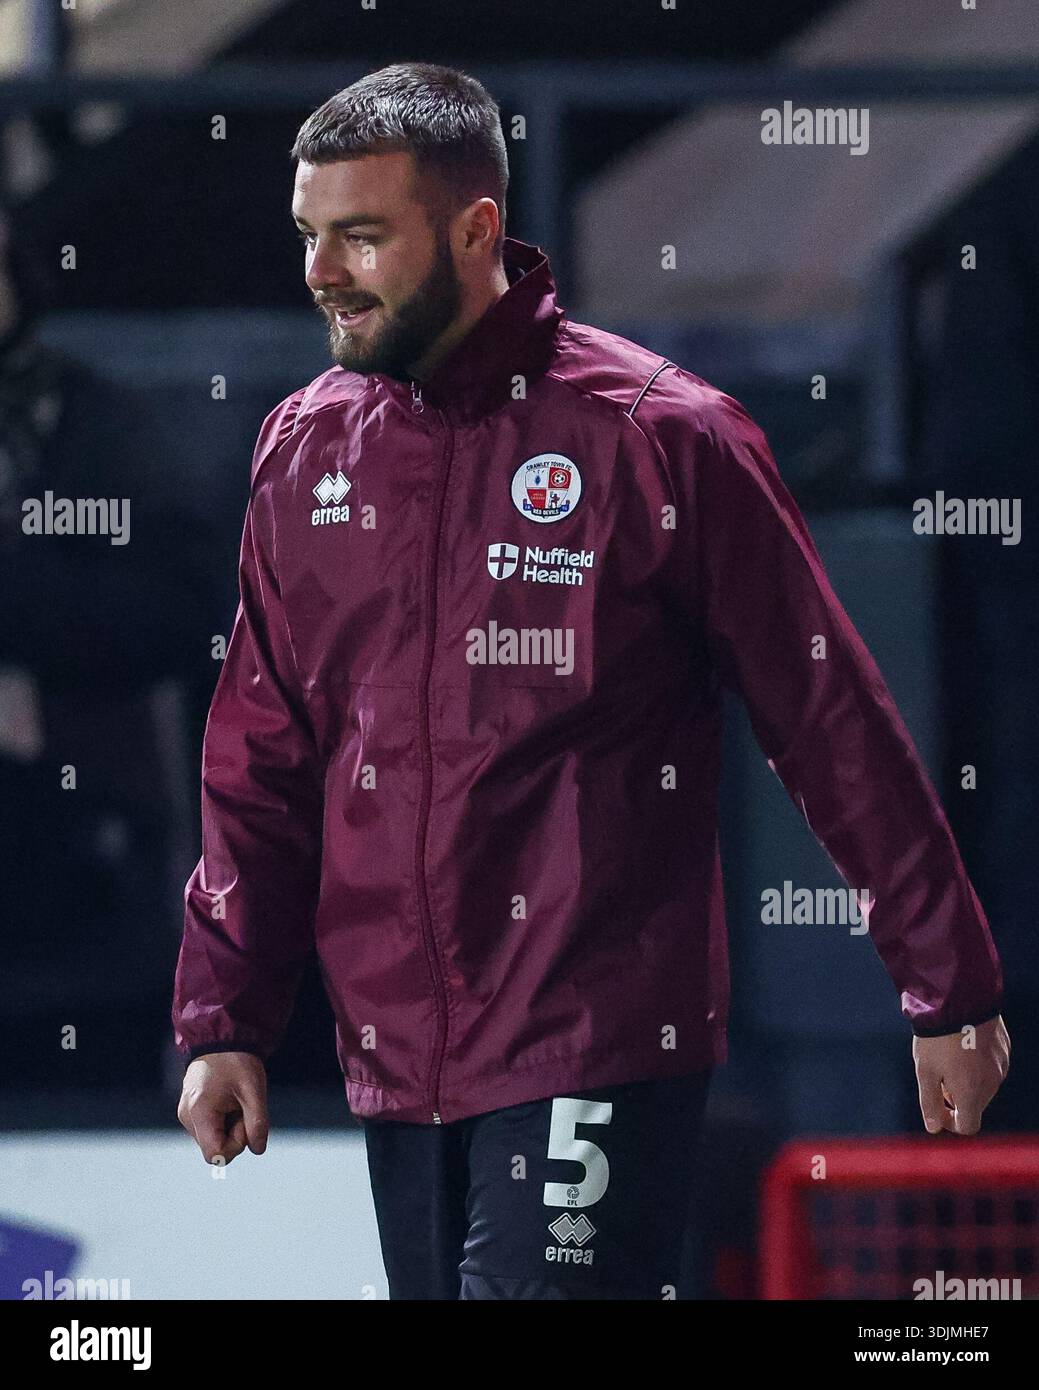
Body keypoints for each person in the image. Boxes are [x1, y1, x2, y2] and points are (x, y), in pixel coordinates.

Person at [172, 63, 1009, 1300]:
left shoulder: (663, 436)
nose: (320, 272)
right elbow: (263, 751)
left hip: (596, 1035)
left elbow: (827, 712)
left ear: (473, 228)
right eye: (308, 234)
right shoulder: (305, 451)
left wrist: (948, 984)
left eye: (360, 235)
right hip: (397, 1055)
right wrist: (225, 1016)